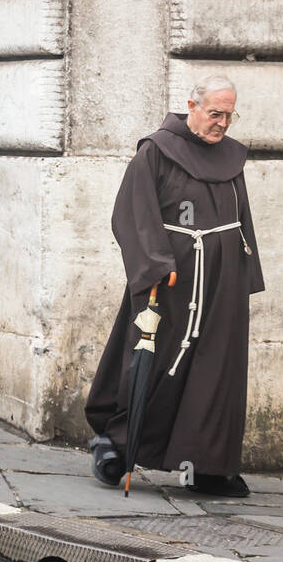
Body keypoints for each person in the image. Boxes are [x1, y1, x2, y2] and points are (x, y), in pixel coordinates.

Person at [85, 74, 264, 497]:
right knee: (154, 361)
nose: (221, 123)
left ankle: (206, 466)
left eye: (228, 115)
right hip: (170, 283)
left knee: (216, 371)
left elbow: (241, 218)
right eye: (214, 113)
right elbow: (133, 211)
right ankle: (116, 445)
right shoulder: (155, 152)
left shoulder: (231, 159)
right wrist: (156, 262)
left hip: (221, 284)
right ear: (193, 107)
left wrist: (245, 272)